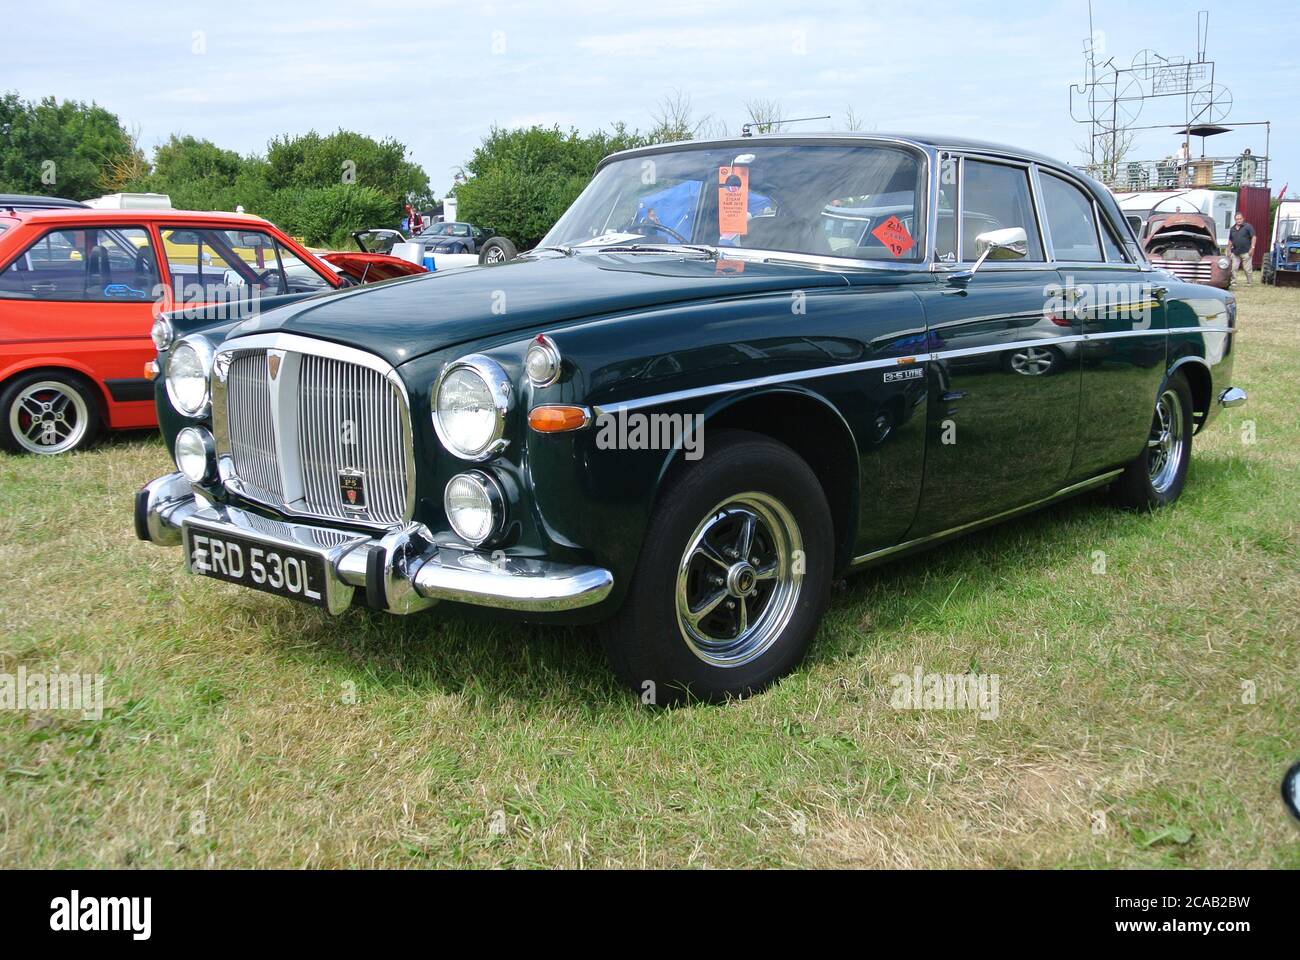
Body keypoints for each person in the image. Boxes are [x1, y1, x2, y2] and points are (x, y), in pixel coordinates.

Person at [1228, 212, 1256, 285]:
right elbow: (1230, 240)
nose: (1239, 220)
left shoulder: (1248, 226)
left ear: (1243, 219)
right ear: (1235, 220)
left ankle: (1249, 282)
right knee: (1233, 268)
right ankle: (1233, 282)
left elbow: (1254, 237)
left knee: (1247, 269)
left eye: (1240, 219)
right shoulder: (1232, 229)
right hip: (1235, 252)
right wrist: (1228, 250)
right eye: (1237, 219)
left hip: (1246, 251)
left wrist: (1252, 248)